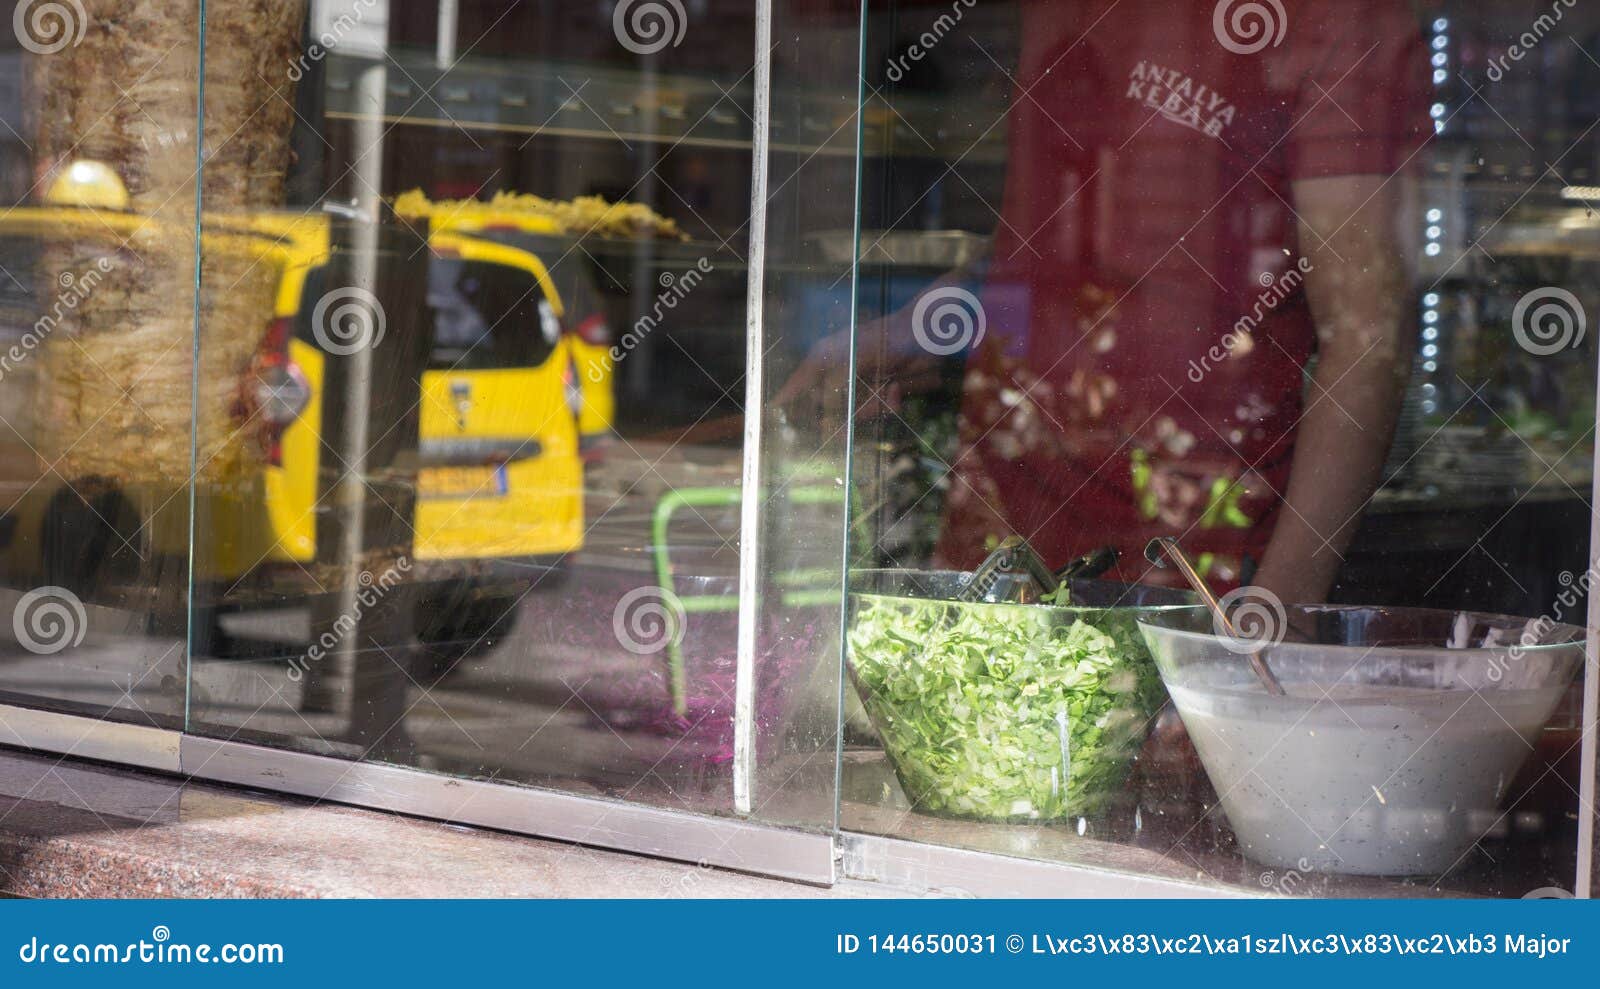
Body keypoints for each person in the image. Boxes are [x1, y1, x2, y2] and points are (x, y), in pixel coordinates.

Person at [782, 0, 1430, 602]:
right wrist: (911, 330)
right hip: (1002, 534)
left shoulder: (1338, 17)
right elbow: (1052, 250)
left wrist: (1266, 623)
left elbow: (1367, 335)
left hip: (1186, 557)